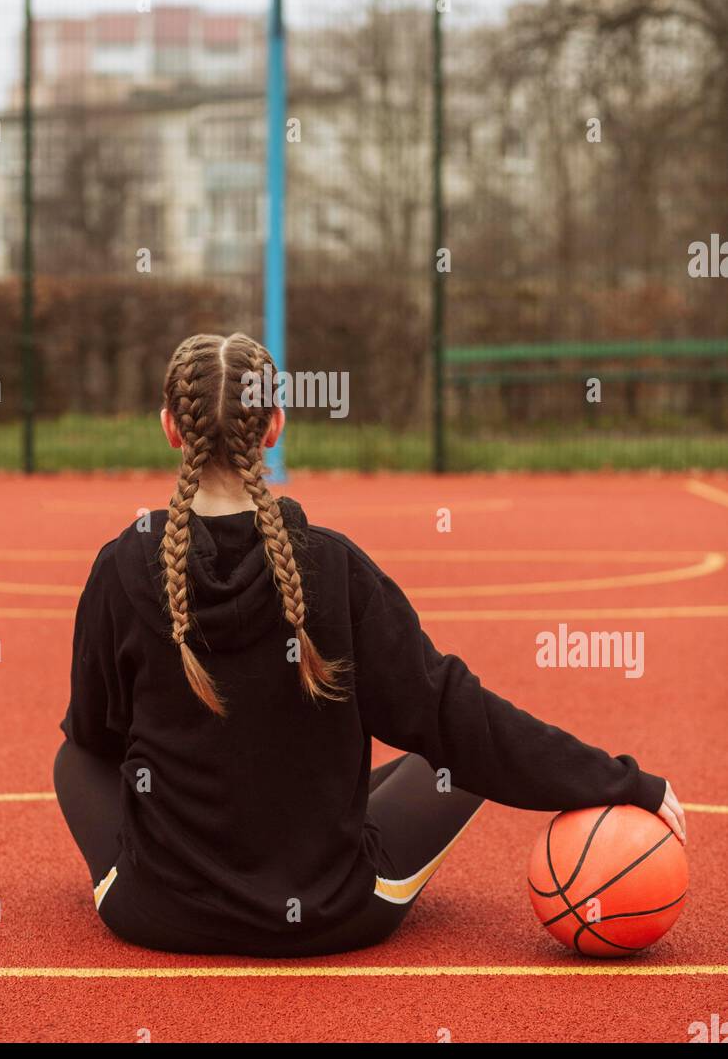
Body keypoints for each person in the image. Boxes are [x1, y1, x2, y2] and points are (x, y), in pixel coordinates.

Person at [54, 332, 685, 958]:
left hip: (162, 915)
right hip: (332, 916)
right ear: (274, 426)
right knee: (454, 762)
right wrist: (624, 782)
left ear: (171, 427)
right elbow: (456, 718)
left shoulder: (120, 567)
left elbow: (96, 736)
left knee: (75, 755)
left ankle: (173, 867)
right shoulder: (334, 567)